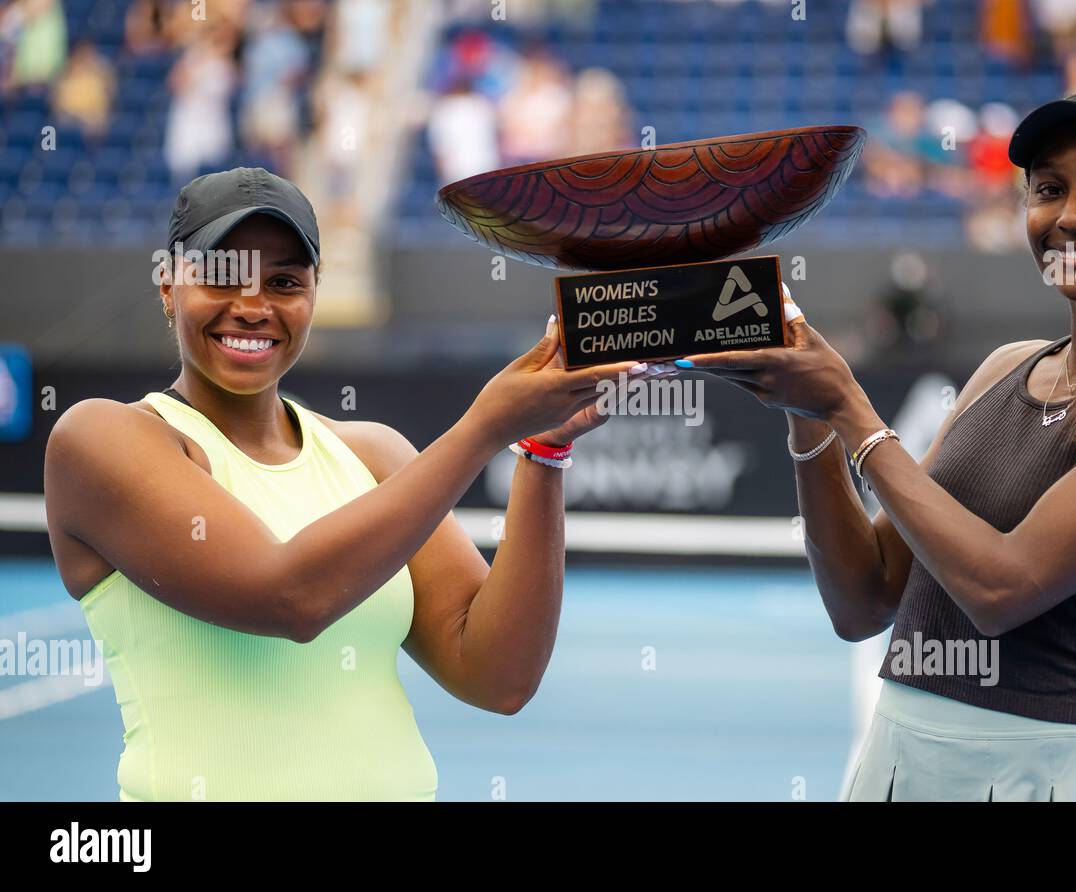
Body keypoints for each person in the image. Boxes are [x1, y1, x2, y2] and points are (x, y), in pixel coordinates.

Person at [673, 87, 1076, 801]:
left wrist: (851, 409)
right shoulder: (1003, 368)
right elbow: (861, 603)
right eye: (1048, 189)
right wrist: (807, 416)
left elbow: (1002, 588)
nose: (1072, 215)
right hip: (897, 765)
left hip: (1060, 775)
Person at [42, 167, 653, 801]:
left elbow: (498, 676)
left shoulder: (374, 454)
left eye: (284, 282)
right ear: (168, 285)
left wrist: (543, 446)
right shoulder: (100, 440)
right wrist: (483, 428)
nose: (253, 307)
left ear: (313, 294)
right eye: (221, 276)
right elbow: (289, 599)